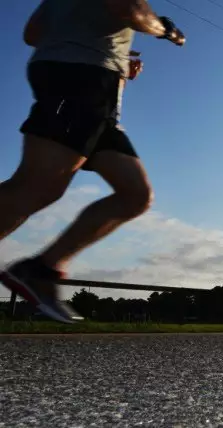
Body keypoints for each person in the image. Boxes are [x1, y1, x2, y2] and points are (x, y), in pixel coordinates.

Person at [0, 0, 186, 323]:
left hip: (94, 87)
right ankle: (38, 271)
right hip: (79, 81)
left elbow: (32, 34)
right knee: (36, 186)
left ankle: (40, 269)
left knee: (135, 194)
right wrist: (166, 29)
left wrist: (111, 57)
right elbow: (130, 10)